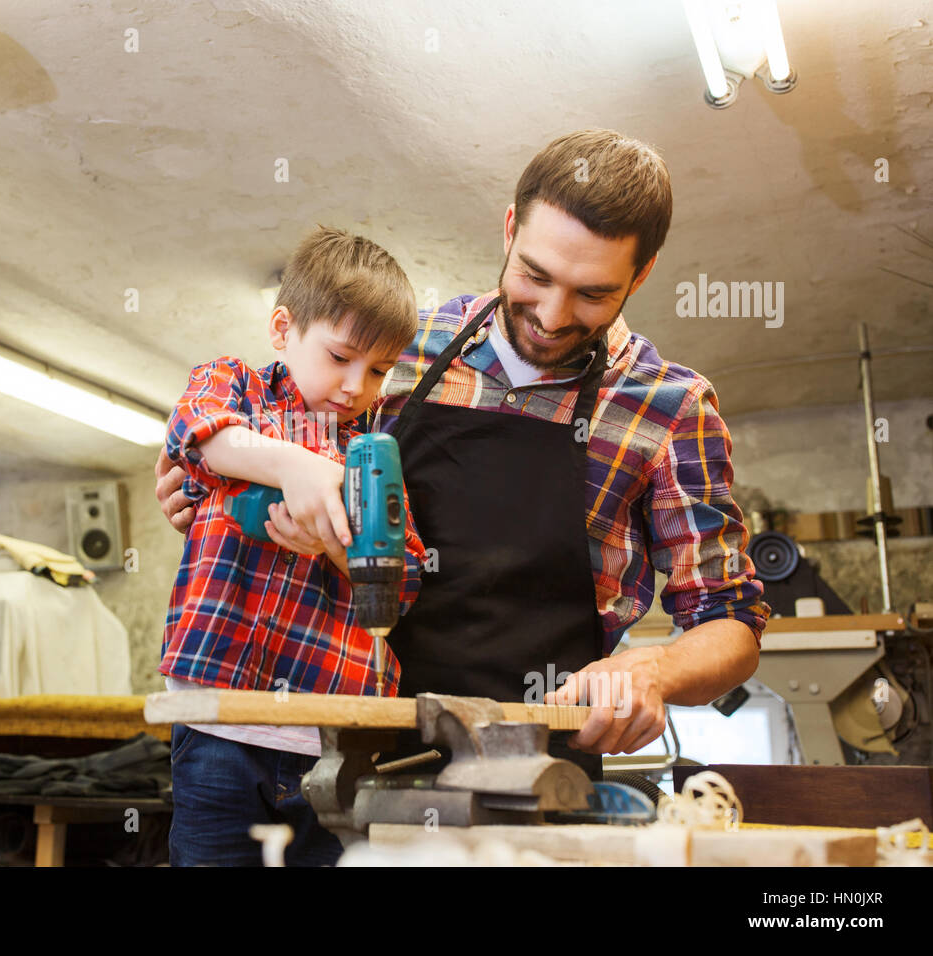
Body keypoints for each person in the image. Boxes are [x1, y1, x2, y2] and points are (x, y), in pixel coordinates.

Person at [156, 130, 770, 781]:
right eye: (535, 276)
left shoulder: (670, 408)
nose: (554, 316)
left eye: (592, 293)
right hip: (361, 753)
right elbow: (250, 424)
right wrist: (218, 492)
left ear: (640, 274)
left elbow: (730, 624)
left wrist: (653, 670)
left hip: (534, 772)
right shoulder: (398, 351)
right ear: (510, 229)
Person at [161, 225, 428, 866]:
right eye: (340, 357)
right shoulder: (236, 388)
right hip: (219, 719)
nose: (357, 386)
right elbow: (199, 432)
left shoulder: (374, 457)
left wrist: (339, 546)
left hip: (333, 739)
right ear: (283, 330)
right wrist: (296, 468)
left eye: (379, 370)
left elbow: (404, 579)